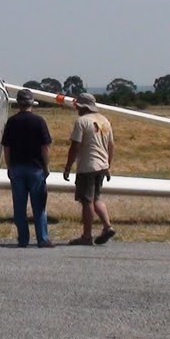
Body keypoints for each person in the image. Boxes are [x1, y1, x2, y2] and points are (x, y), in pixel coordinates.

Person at [0, 88, 53, 248]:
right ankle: (42, 239)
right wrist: (47, 166)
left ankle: (23, 239)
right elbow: (45, 147)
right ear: (32, 103)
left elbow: (6, 147)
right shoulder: (39, 121)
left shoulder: (11, 122)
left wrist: (9, 166)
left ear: (18, 103)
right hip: (35, 168)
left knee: (19, 205)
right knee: (39, 205)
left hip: (17, 167)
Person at [62, 92, 116, 246]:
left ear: (82, 107)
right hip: (102, 165)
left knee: (87, 201)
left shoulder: (82, 121)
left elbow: (75, 146)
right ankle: (107, 226)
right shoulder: (104, 120)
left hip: (87, 166)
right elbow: (111, 145)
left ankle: (87, 235)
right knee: (97, 198)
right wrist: (108, 165)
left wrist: (67, 167)